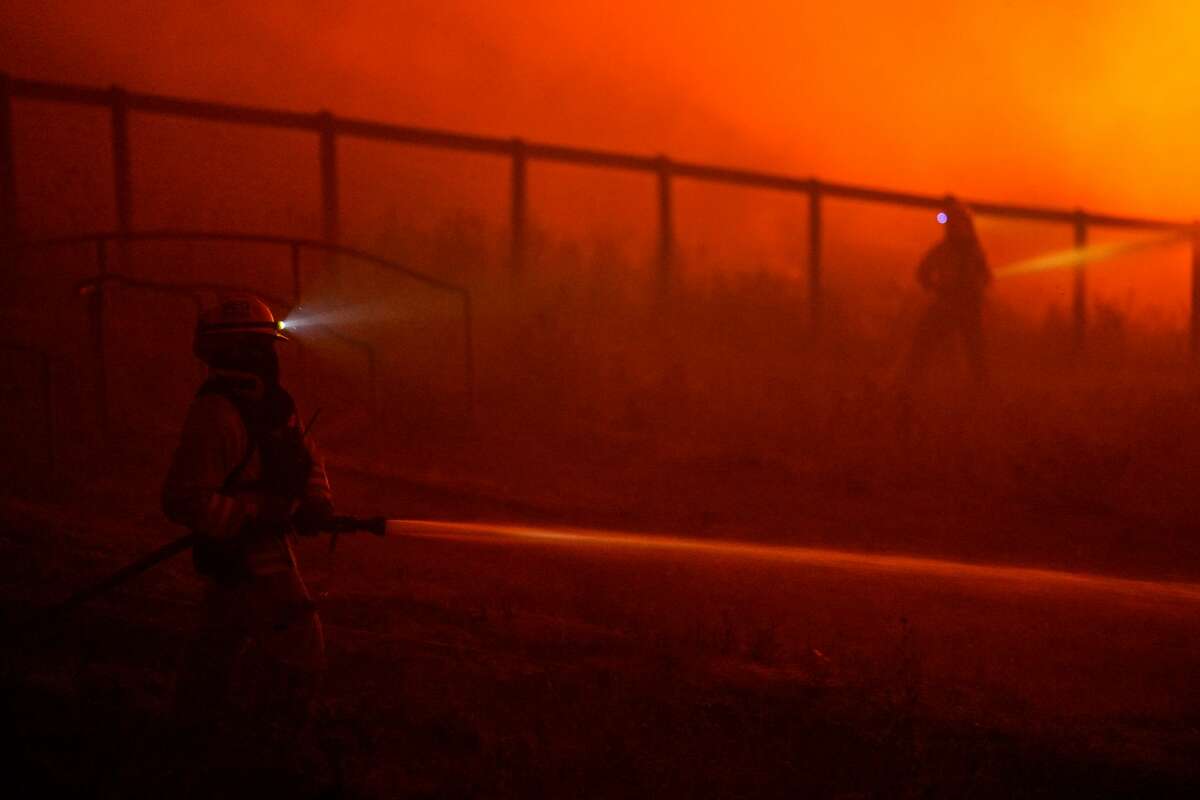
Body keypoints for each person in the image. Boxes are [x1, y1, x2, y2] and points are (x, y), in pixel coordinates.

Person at [161, 294, 333, 766]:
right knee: (301, 645)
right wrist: (254, 517)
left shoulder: (277, 405)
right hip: (248, 555)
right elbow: (184, 499)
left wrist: (318, 501)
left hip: (261, 548)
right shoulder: (215, 416)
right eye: (259, 347)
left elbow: (306, 457)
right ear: (234, 352)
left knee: (217, 644)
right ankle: (272, 750)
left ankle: (190, 740)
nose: (269, 357)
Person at [905, 196, 991, 384]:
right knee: (971, 348)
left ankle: (912, 379)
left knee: (972, 348)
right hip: (958, 302)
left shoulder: (958, 250)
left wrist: (934, 286)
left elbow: (985, 275)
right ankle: (912, 378)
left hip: (959, 302)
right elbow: (923, 272)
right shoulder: (954, 249)